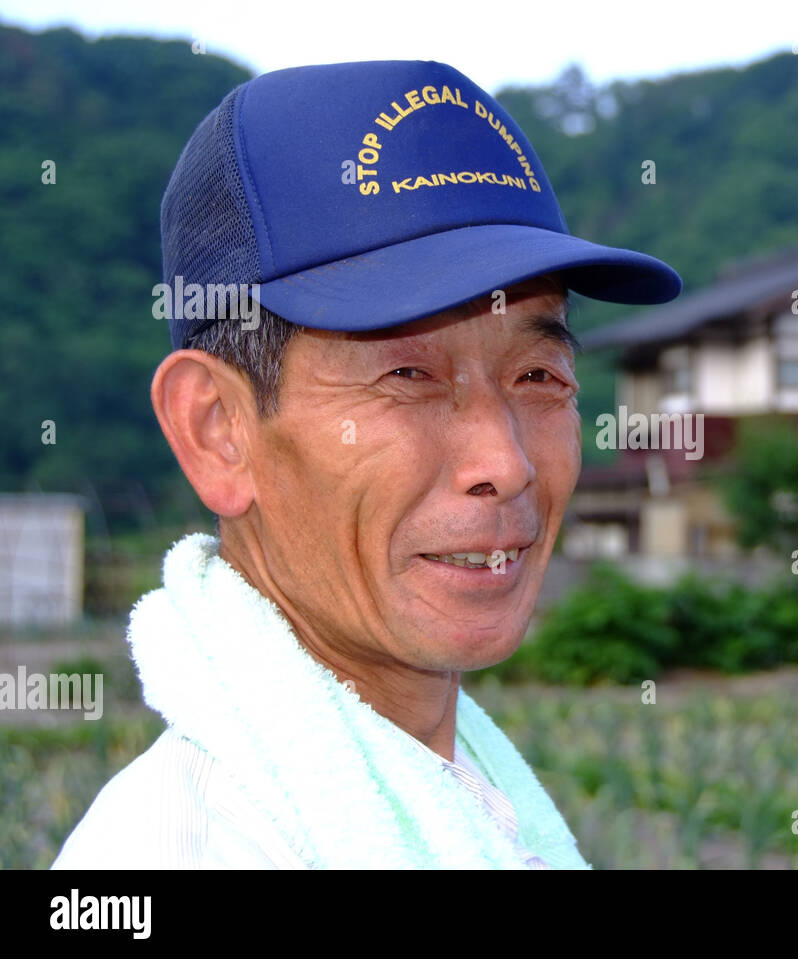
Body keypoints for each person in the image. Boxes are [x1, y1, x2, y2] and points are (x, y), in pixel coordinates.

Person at [51, 59, 680, 868]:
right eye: (408, 377)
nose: (507, 462)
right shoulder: (184, 849)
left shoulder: (466, 798)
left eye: (538, 376)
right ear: (218, 431)